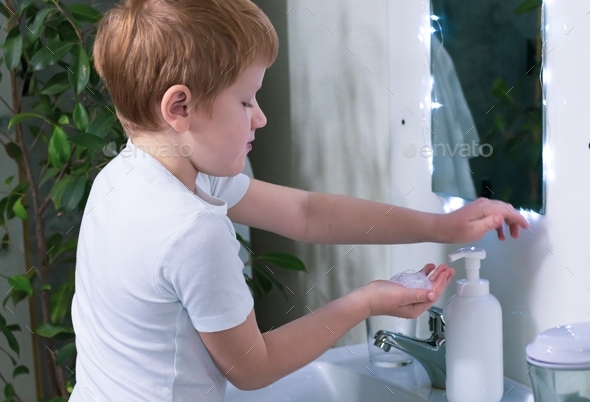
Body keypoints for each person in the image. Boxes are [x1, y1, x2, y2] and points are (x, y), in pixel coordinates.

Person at [70, 0, 529, 400]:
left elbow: (305, 213)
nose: (261, 118)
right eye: (247, 101)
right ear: (180, 108)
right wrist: (364, 302)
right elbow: (252, 367)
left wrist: (440, 226)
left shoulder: (126, 176)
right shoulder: (191, 227)